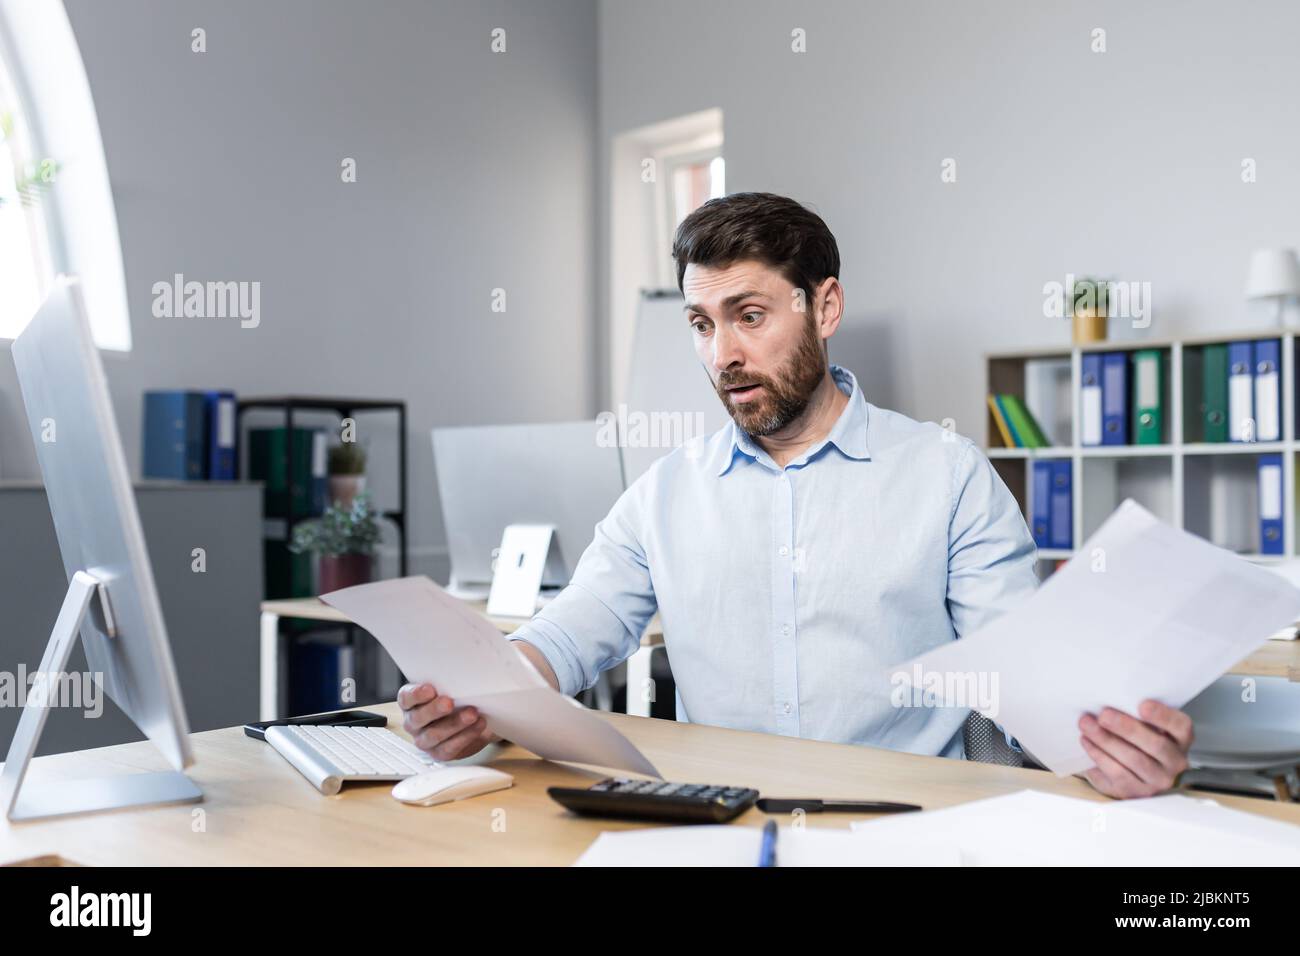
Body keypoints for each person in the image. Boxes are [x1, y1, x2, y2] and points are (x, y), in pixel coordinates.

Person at [400, 192, 1191, 799]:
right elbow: (570, 637)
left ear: (826, 307)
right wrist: (478, 701)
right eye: (703, 325)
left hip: (906, 827)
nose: (725, 355)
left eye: (749, 316)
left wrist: (1109, 754)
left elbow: (1025, 684)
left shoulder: (946, 476)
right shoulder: (665, 493)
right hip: (725, 823)